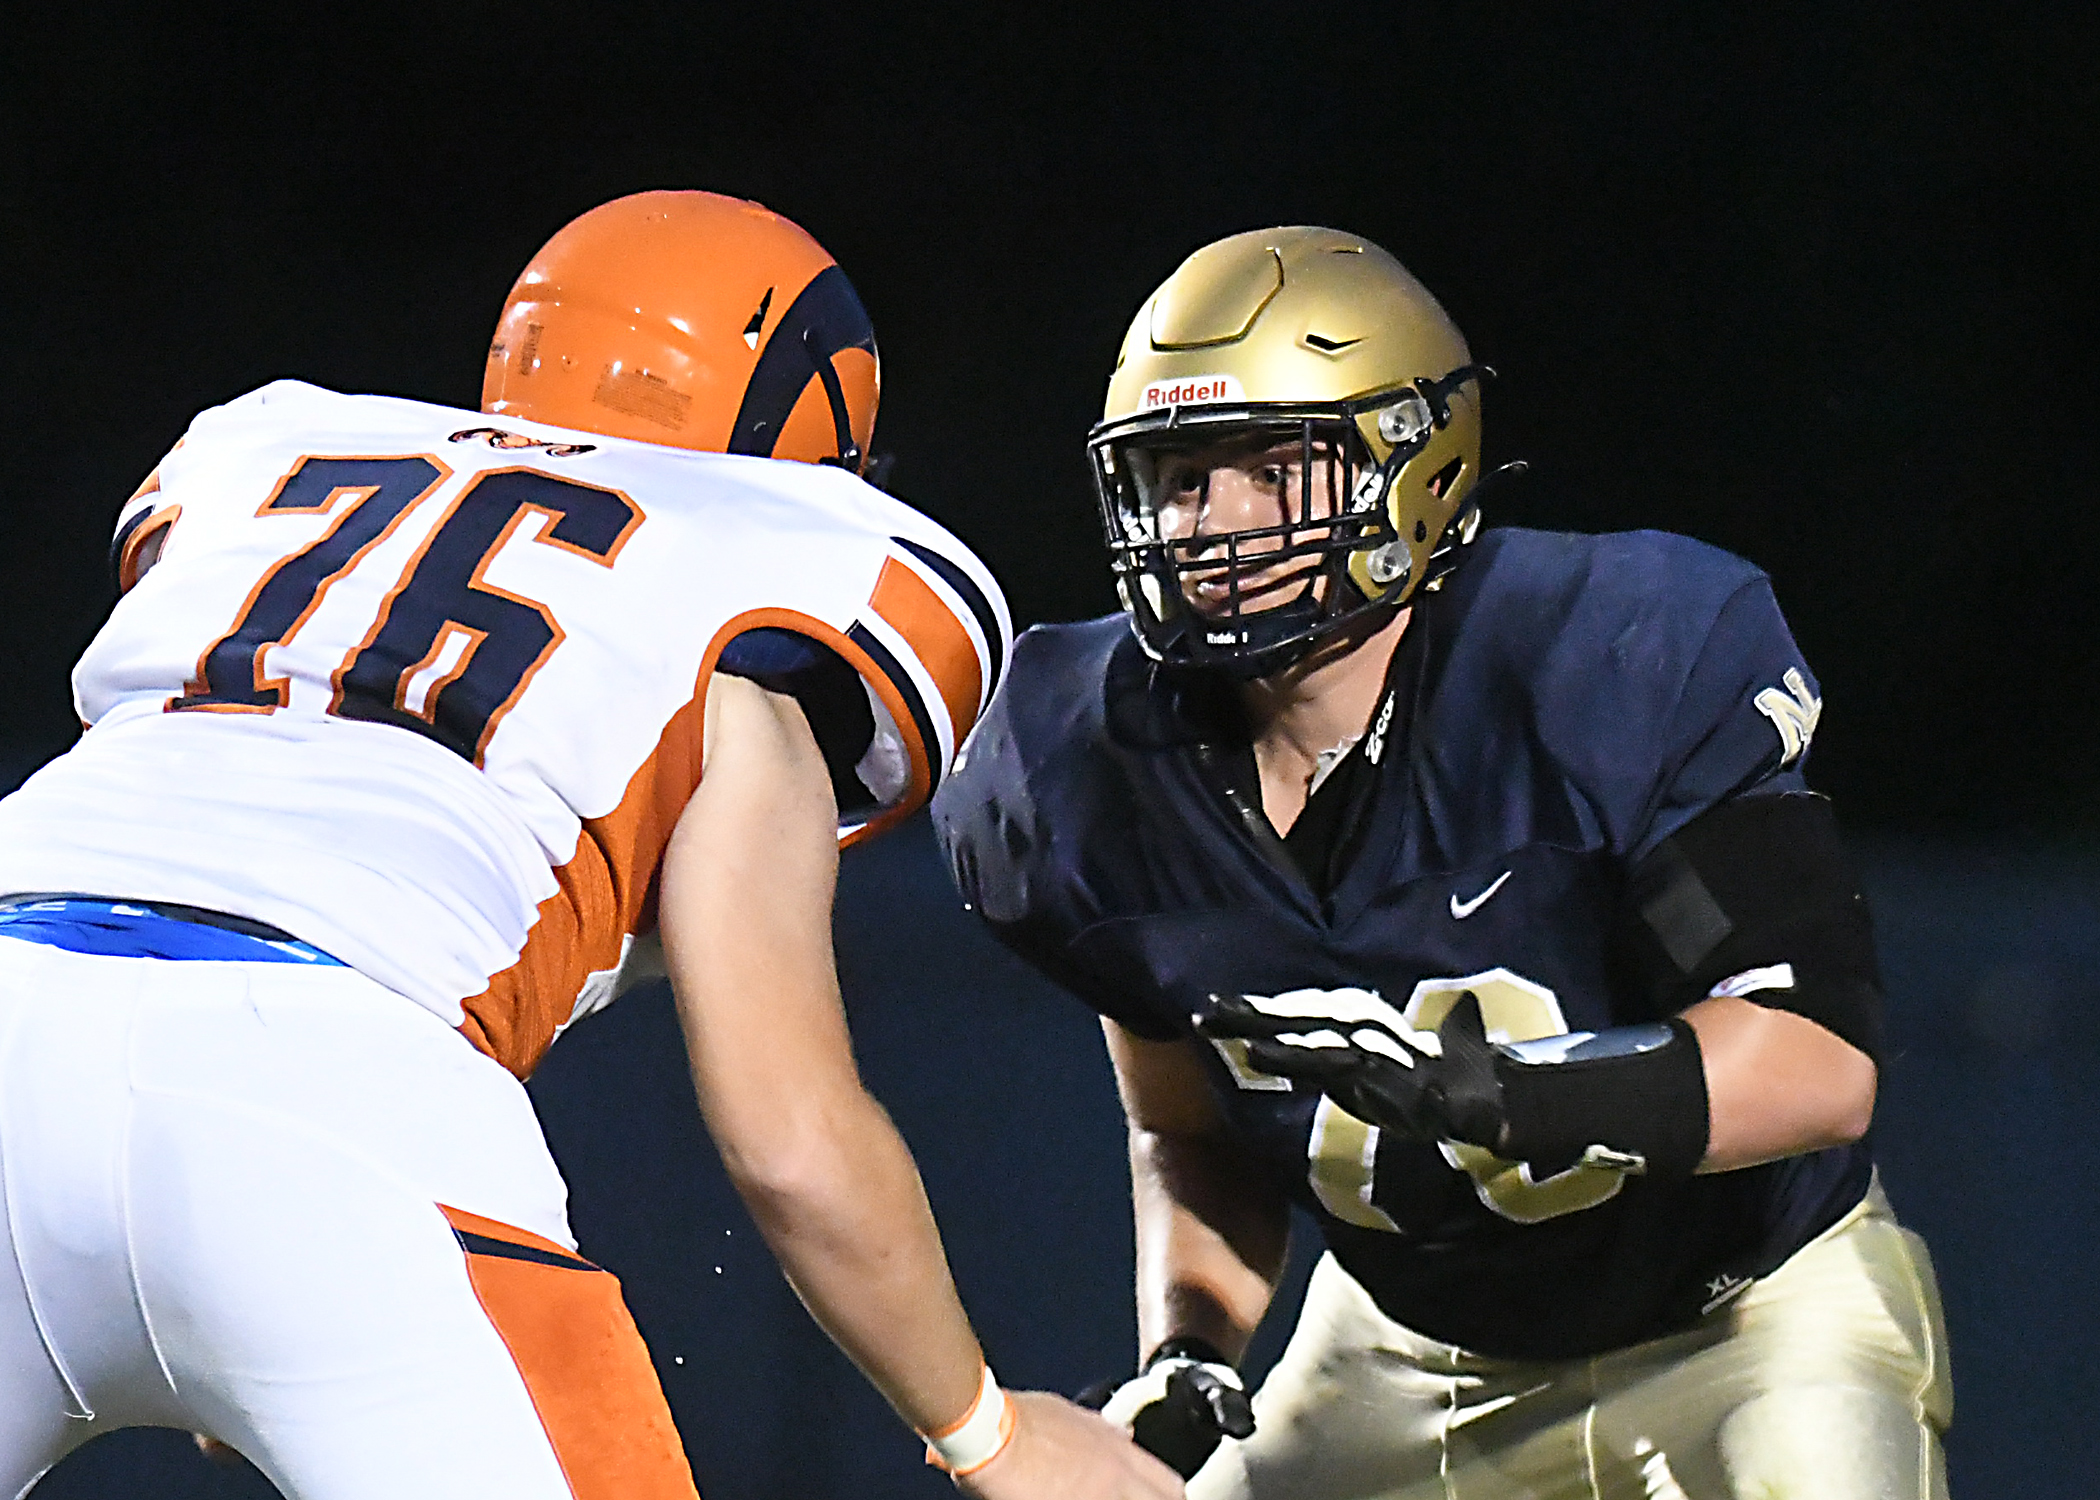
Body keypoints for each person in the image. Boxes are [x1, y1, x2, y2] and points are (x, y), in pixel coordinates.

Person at [0, 190, 1180, 1500]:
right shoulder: (737, 635)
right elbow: (790, 1144)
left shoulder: (271, 503)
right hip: (324, 1098)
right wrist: (992, 1435)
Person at [932, 226, 1951, 1498]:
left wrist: (1509, 1096)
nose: (1216, 523)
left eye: (1273, 468)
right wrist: (1190, 1352)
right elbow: (1192, 1130)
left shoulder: (1605, 665)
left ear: (1411, 466)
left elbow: (1815, 1060)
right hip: (1406, 1350)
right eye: (1183, 477)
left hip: (1746, 1324)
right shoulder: (1086, 762)